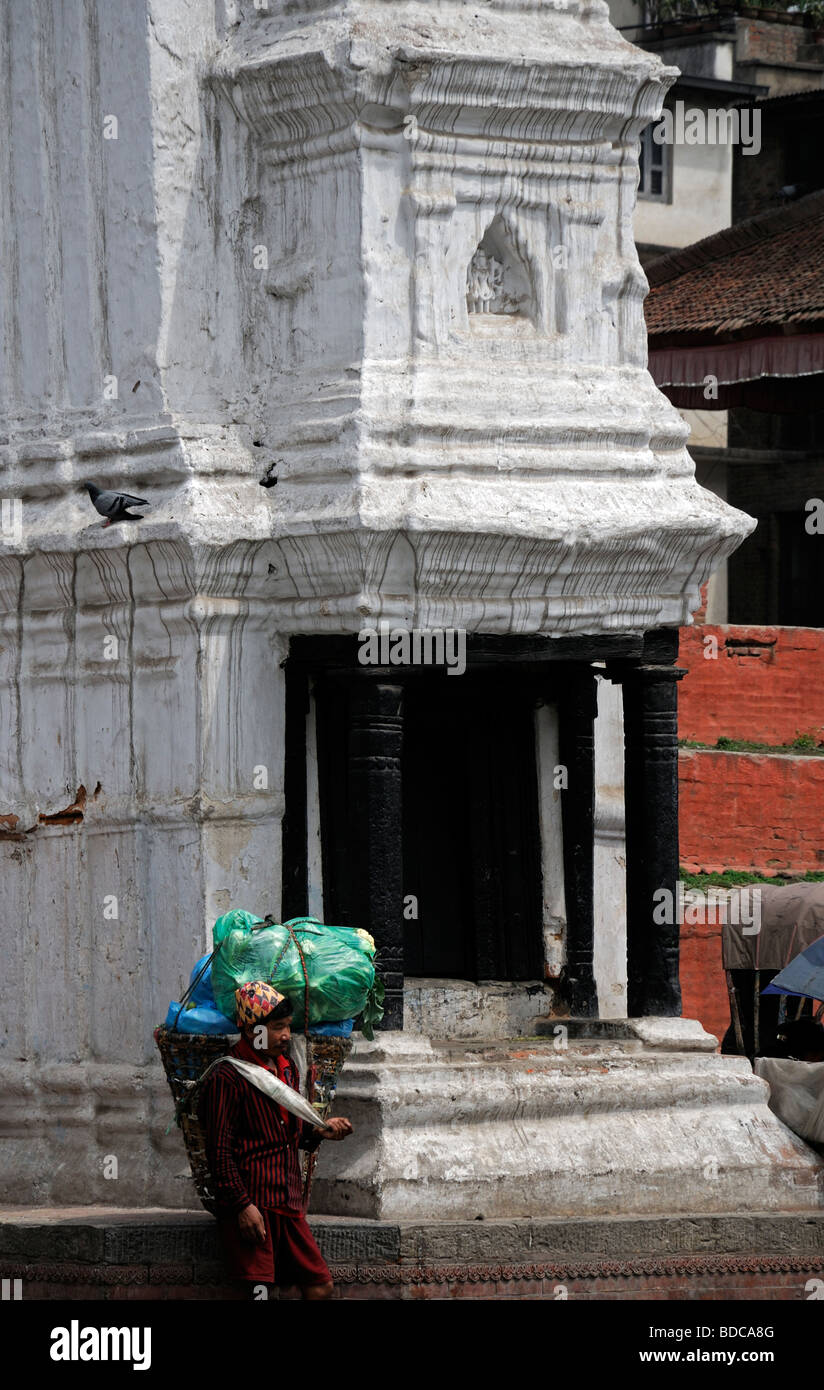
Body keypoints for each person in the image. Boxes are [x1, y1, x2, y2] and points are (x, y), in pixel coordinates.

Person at [198, 980, 353, 1300]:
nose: (286, 1035)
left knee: (320, 1286)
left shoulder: (286, 1070)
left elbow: (289, 1134)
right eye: (278, 1027)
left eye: (288, 1027)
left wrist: (319, 1131)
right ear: (254, 1031)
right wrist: (242, 1206)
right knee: (259, 1293)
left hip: (287, 1203)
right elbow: (219, 1152)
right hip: (253, 1203)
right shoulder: (227, 1077)